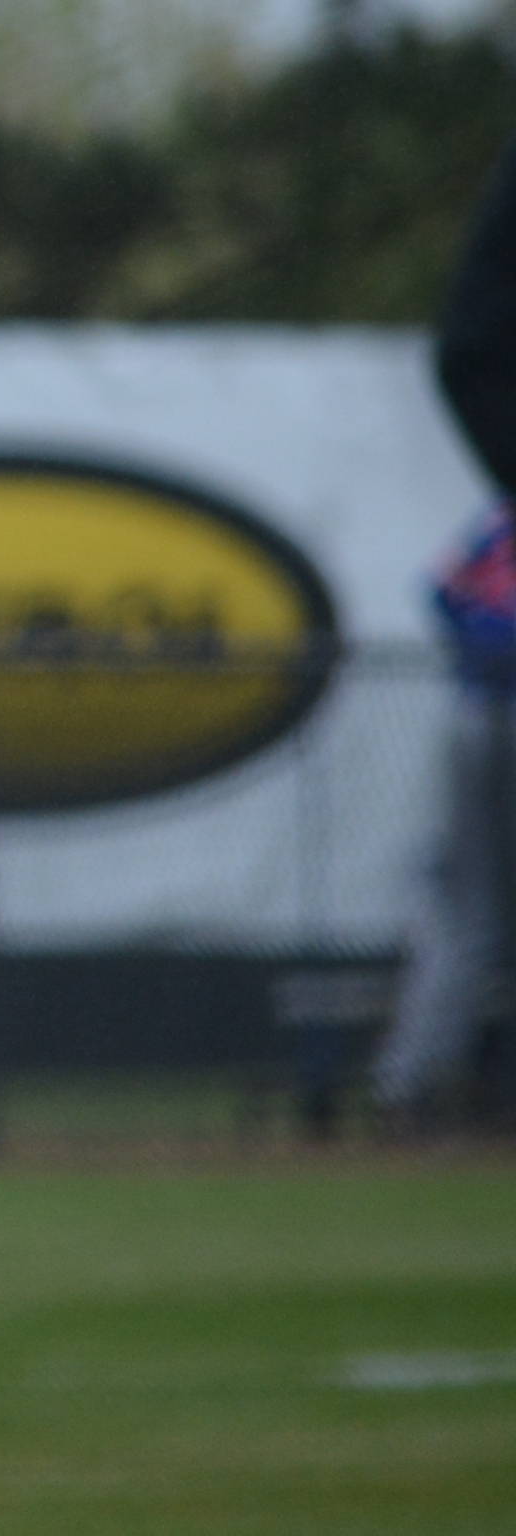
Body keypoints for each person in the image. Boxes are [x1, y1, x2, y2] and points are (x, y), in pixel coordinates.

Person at [377, 137, 516, 1121]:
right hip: (492, 717)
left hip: (481, 715)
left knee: (465, 914)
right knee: (467, 914)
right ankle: (411, 1085)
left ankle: (410, 1085)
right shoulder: (496, 523)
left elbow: (446, 596)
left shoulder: (489, 531)